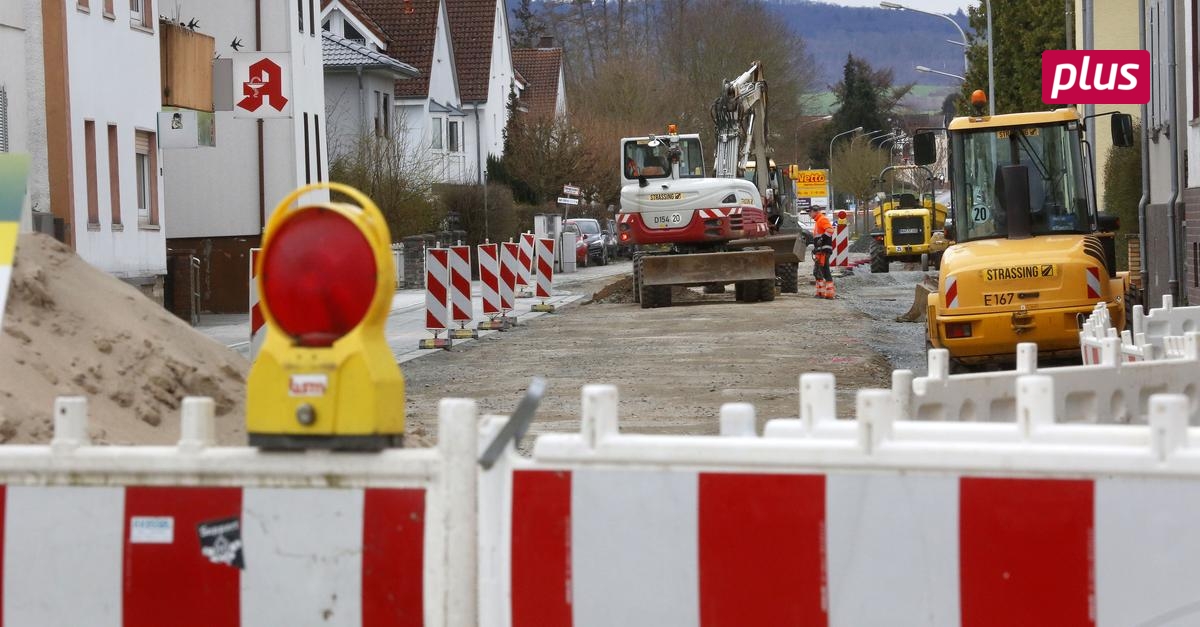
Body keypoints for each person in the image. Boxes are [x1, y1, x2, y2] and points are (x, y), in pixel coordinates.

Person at [808, 206, 835, 299]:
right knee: (820, 271)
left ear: (815, 212)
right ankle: (823, 293)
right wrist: (816, 248)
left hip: (823, 251)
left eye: (810, 212)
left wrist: (822, 239)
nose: (809, 214)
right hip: (820, 251)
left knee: (822, 271)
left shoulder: (822, 219)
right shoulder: (818, 221)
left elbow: (830, 230)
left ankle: (825, 293)